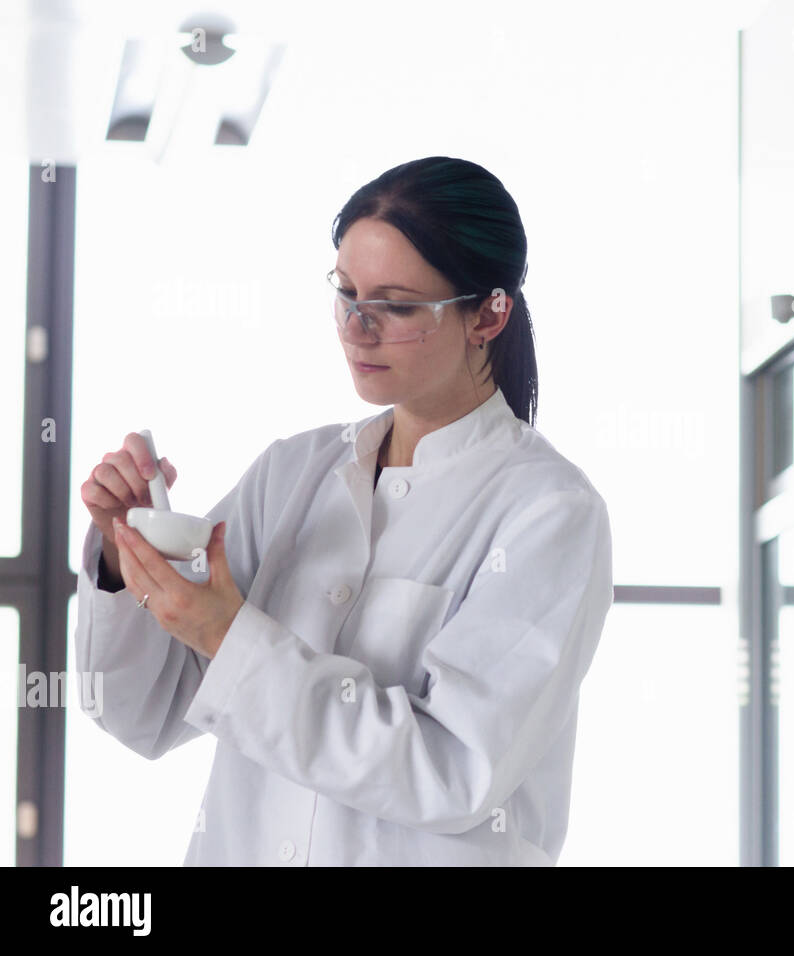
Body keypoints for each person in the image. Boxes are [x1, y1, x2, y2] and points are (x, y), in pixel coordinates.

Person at [73, 156, 614, 866]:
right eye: (347, 294)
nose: (358, 329)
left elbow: (452, 772)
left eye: (394, 305)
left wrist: (231, 637)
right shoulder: (292, 474)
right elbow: (141, 714)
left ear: (488, 312)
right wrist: (126, 557)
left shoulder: (550, 513)